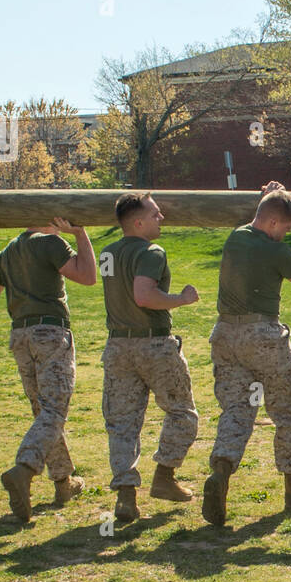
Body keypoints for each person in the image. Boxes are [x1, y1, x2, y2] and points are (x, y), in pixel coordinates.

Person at [0, 217, 97, 522]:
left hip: (20, 336)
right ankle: (24, 468)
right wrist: (81, 233)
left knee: (43, 411)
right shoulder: (50, 243)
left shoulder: (9, 251)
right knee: (54, 410)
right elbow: (88, 276)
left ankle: (63, 482)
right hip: (50, 333)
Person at [202, 182, 291, 525]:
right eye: (287, 227)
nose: (287, 233)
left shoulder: (237, 236)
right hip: (263, 336)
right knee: (287, 410)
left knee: (237, 410)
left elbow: (263, 216)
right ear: (273, 224)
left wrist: (270, 198)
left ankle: (221, 472)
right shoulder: (274, 251)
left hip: (225, 334)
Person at [98, 192, 200, 524]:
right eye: (156, 214)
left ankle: (126, 495)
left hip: (118, 347)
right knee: (182, 413)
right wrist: (181, 300)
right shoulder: (151, 252)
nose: (162, 218)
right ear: (138, 222)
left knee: (122, 424)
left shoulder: (108, 252)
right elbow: (144, 296)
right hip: (154, 344)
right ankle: (164, 476)